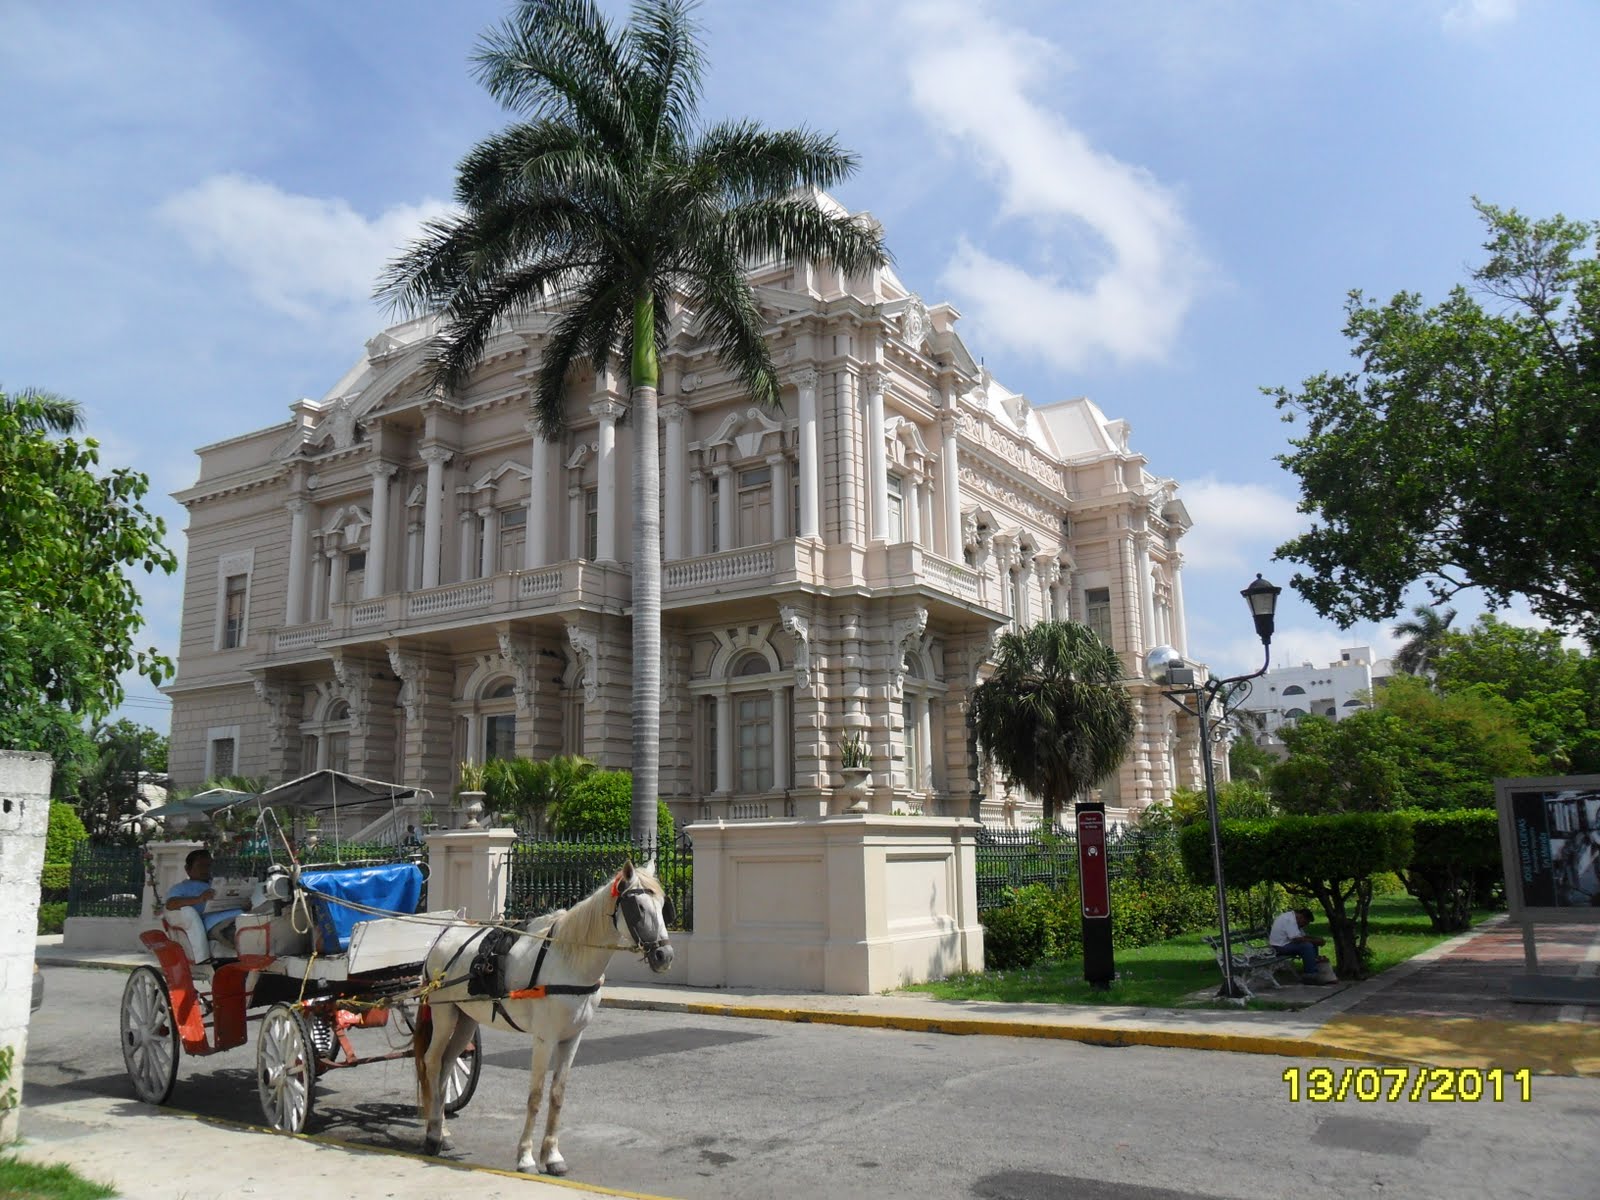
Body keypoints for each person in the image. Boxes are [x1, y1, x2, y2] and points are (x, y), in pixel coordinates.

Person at [164, 849, 242, 966]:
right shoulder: (181, 888)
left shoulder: (217, 884)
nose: (206, 869)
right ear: (187, 869)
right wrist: (199, 899)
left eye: (209, 865)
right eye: (201, 866)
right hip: (217, 924)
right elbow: (171, 904)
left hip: (240, 916)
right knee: (246, 935)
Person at [1269, 907, 1326, 984]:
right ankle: (1310, 975)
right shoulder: (1289, 920)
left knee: (1312, 944)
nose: (1305, 925)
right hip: (1279, 947)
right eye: (1305, 922)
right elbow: (1296, 939)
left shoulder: (1294, 918)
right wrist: (1315, 941)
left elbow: (1302, 936)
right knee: (1307, 946)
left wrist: (1316, 939)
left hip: (1286, 944)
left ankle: (1315, 970)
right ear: (1301, 917)